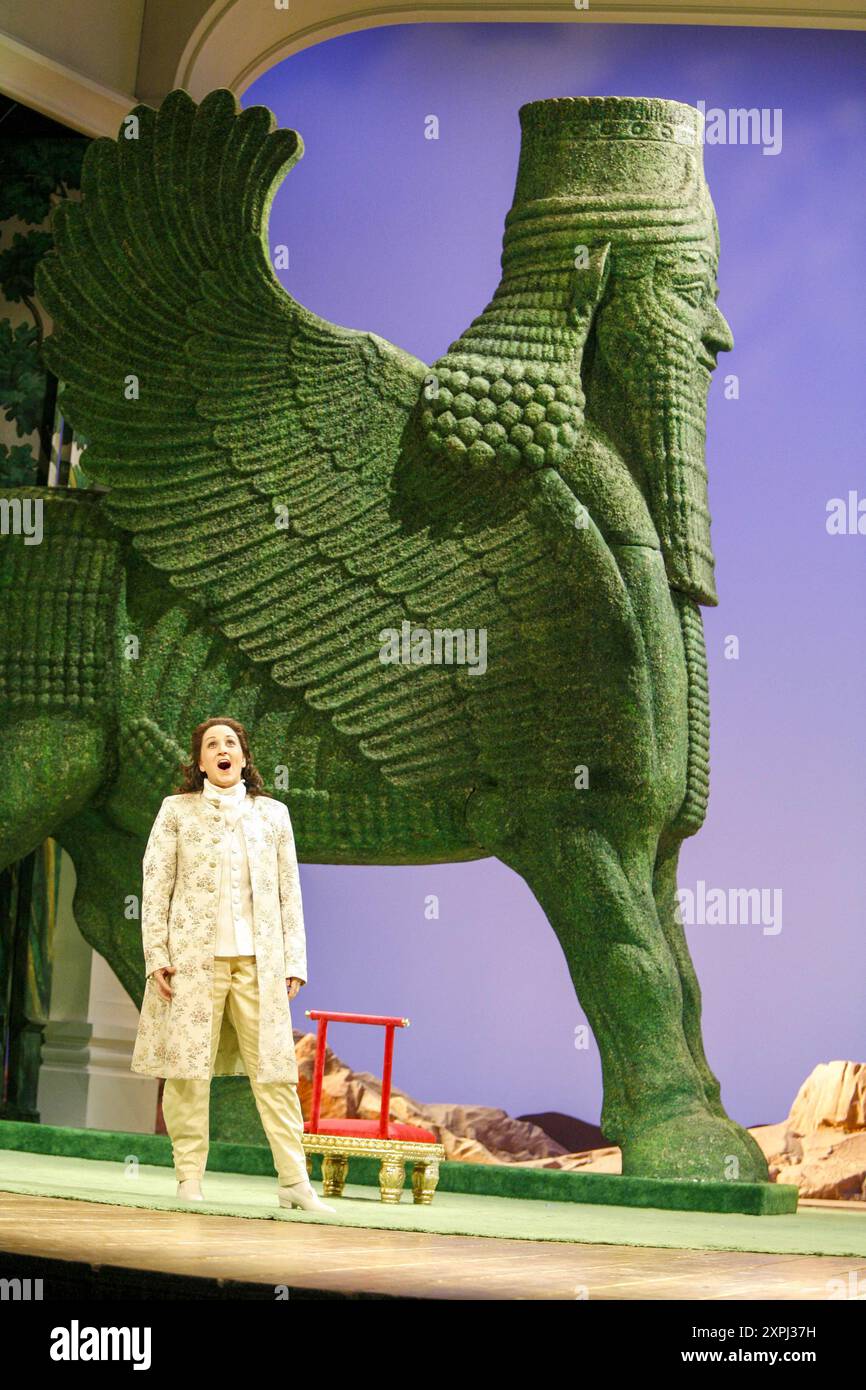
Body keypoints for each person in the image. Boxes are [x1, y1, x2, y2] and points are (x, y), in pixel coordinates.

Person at [131, 715, 336, 1214]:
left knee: (275, 1072)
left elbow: (290, 893)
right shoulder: (176, 811)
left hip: (258, 962)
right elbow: (156, 885)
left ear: (244, 756)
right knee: (187, 1072)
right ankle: (188, 1178)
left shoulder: (273, 815)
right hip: (192, 964)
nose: (222, 750)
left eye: (231, 743)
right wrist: (156, 953)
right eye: (211, 745)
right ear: (199, 762)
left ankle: (294, 1183)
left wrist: (294, 961)